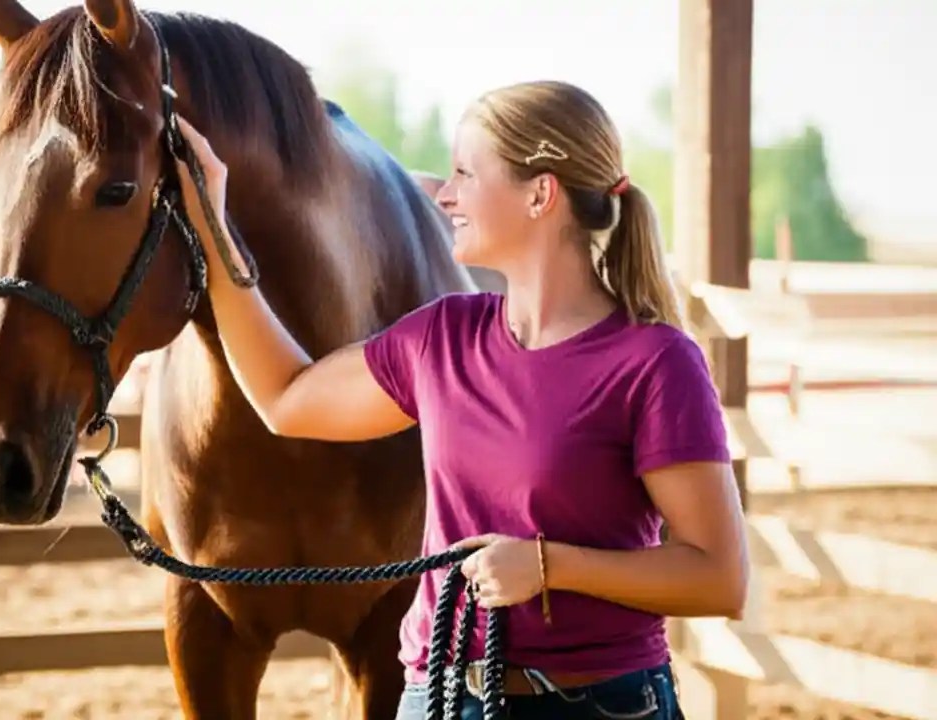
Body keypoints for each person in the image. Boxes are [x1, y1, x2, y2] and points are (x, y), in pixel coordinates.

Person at [171, 80, 748, 720]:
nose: (443, 195)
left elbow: (719, 577)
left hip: (597, 704)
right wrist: (215, 235)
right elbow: (286, 398)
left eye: (466, 174)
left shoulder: (655, 363)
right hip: (436, 698)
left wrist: (549, 566)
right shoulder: (443, 336)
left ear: (540, 193)